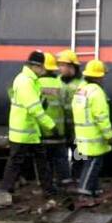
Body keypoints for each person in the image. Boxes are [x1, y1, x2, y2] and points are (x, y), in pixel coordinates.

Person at [0, 51, 55, 197]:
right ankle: (5, 189)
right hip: (23, 130)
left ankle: (48, 188)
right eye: (42, 67)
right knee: (17, 161)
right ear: (35, 66)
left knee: (38, 160)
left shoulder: (29, 80)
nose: (44, 70)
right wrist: (51, 125)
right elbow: (34, 108)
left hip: (29, 130)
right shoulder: (25, 81)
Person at [71, 59, 112, 197]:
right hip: (94, 136)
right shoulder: (97, 92)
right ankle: (84, 190)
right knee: (94, 163)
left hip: (82, 134)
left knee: (90, 163)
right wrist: (109, 135)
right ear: (98, 76)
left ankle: (96, 189)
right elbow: (101, 116)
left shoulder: (81, 90)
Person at [37, 52, 72, 193]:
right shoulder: (61, 85)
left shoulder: (35, 84)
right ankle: (65, 184)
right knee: (61, 159)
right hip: (59, 131)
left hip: (42, 131)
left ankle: (46, 186)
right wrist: (69, 129)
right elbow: (68, 110)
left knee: (44, 161)